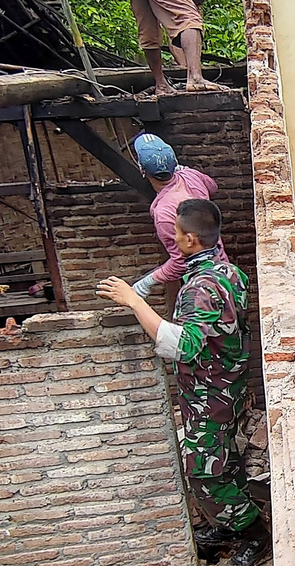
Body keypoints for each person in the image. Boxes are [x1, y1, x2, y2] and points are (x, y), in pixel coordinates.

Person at [96, 199, 271, 566]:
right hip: (229, 386)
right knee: (226, 460)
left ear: (190, 239)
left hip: (211, 394)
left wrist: (133, 301)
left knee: (204, 474)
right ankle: (229, 526)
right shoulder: (231, 273)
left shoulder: (199, 288)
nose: (172, 238)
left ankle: (255, 532)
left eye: (175, 233)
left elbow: (183, 345)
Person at [131, 132, 227, 304]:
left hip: (202, 287)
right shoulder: (190, 175)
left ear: (142, 170)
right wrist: (186, 171)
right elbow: (212, 187)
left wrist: (149, 281)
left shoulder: (164, 213)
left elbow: (181, 262)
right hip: (224, 268)